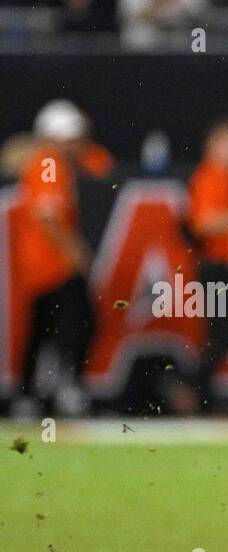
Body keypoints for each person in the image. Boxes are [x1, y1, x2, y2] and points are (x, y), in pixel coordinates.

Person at [10, 100, 102, 419]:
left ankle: (30, 395)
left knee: (42, 332)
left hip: (40, 265)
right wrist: (74, 251)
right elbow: (47, 214)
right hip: (53, 266)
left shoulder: (46, 161)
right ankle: (65, 389)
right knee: (74, 328)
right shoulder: (49, 162)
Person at [186, 118, 228, 411]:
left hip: (221, 266)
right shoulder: (212, 176)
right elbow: (203, 223)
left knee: (226, 333)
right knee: (227, 333)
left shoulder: (225, 176)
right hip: (213, 266)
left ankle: (198, 391)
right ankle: (192, 387)